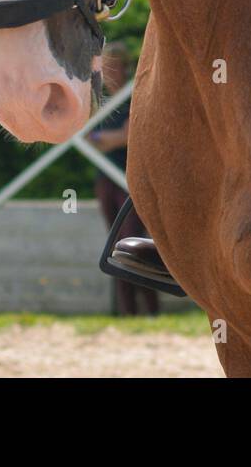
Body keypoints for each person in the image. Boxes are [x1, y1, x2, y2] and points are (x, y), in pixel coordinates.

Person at [90, 42, 161, 315]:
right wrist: (108, 139)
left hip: (130, 180)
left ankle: (151, 309)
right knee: (114, 243)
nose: (110, 73)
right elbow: (89, 137)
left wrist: (104, 139)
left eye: (115, 67)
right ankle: (128, 311)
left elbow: (129, 135)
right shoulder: (99, 102)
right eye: (106, 68)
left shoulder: (133, 97)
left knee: (132, 243)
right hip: (105, 179)